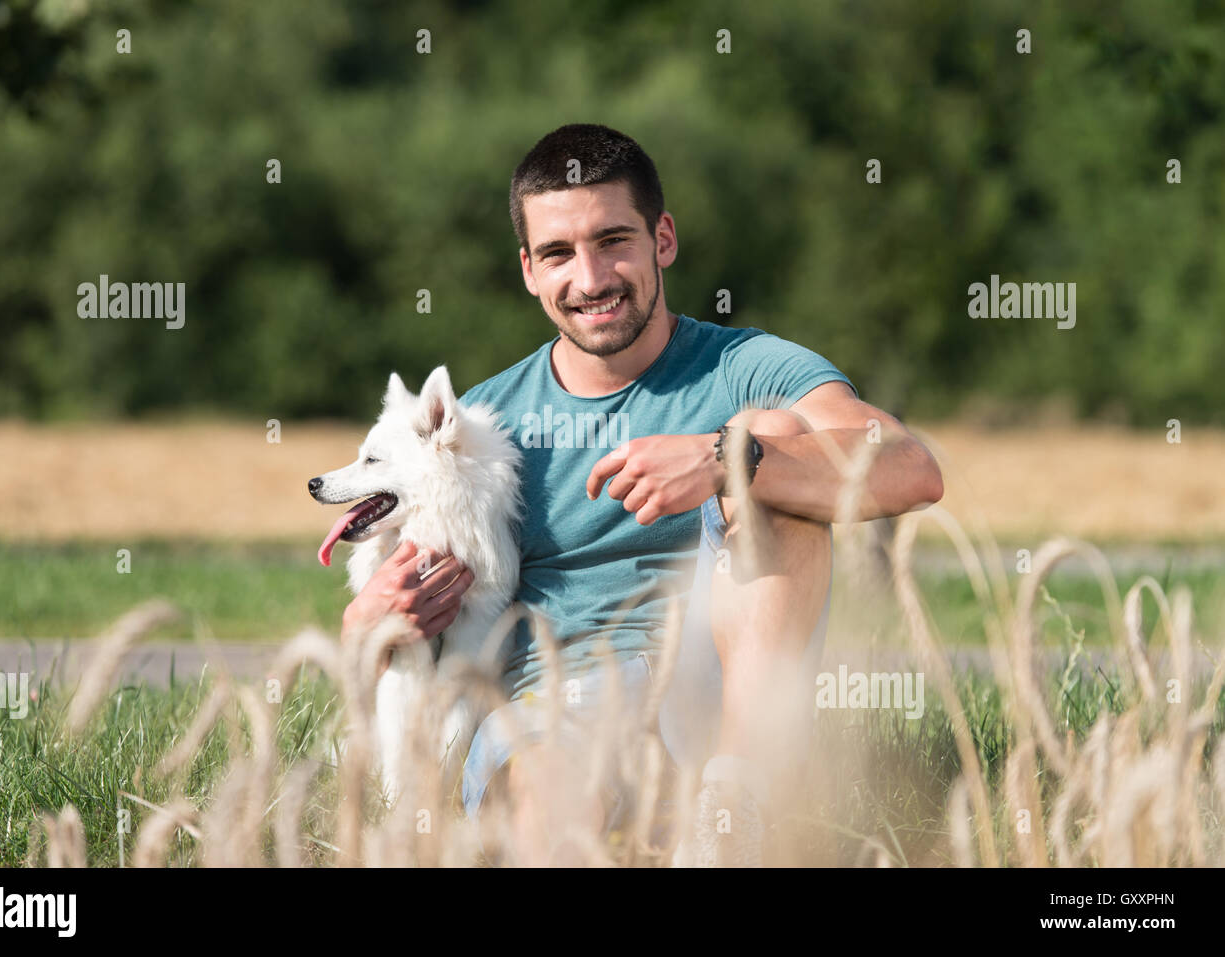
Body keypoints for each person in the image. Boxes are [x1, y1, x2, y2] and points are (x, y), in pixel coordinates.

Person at [341, 123, 944, 866]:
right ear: (528, 269)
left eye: (613, 240)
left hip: (718, 707)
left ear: (663, 238)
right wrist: (365, 623)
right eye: (559, 253)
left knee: (775, 437)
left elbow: (911, 468)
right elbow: (398, 647)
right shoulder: (480, 431)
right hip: (552, 709)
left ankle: (734, 807)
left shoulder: (744, 367)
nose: (591, 278)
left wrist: (727, 457)